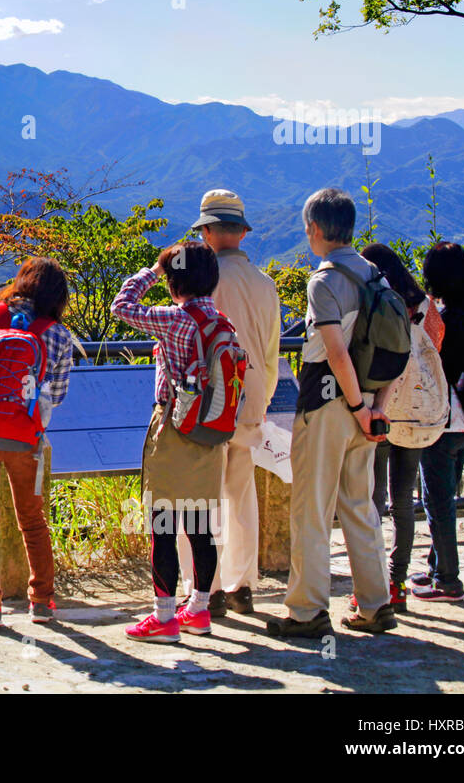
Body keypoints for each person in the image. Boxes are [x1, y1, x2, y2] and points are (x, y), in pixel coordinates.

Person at [267, 188, 399, 638]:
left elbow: (337, 353)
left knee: (312, 510)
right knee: (360, 506)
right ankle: (375, 604)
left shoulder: (324, 282)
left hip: (326, 406)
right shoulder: (377, 276)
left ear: (315, 229)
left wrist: (357, 407)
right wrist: (375, 408)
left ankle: (306, 611)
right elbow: (394, 348)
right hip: (368, 407)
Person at [112, 241, 227, 642]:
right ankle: (198, 609)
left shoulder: (175, 320)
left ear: (176, 281)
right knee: (200, 527)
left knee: (162, 524)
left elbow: (121, 306)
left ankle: (163, 617)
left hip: (174, 429)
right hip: (210, 434)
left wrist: (154, 270)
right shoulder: (221, 321)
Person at [176, 189, 280, 616]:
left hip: (209, 406)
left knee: (195, 497)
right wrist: (262, 397)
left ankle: (205, 588)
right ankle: (241, 585)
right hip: (251, 400)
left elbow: (186, 341)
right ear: (240, 231)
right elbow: (271, 351)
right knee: (241, 494)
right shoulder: (265, 284)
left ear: (210, 232)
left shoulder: (203, 280)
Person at [0, 257, 74, 628]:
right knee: (33, 523)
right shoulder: (57, 333)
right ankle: (41, 602)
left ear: (20, 282)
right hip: (27, 440)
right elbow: (58, 393)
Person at [358, 242, 445, 612]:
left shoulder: (378, 301)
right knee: (404, 501)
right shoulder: (426, 307)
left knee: (374, 500)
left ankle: (375, 583)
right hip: (417, 412)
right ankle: (398, 582)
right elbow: (436, 348)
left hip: (381, 408)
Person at [415, 243, 464, 601]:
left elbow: (434, 368)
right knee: (445, 497)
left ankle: (448, 580)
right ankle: (435, 569)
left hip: (442, 423)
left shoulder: (447, 319)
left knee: (437, 501)